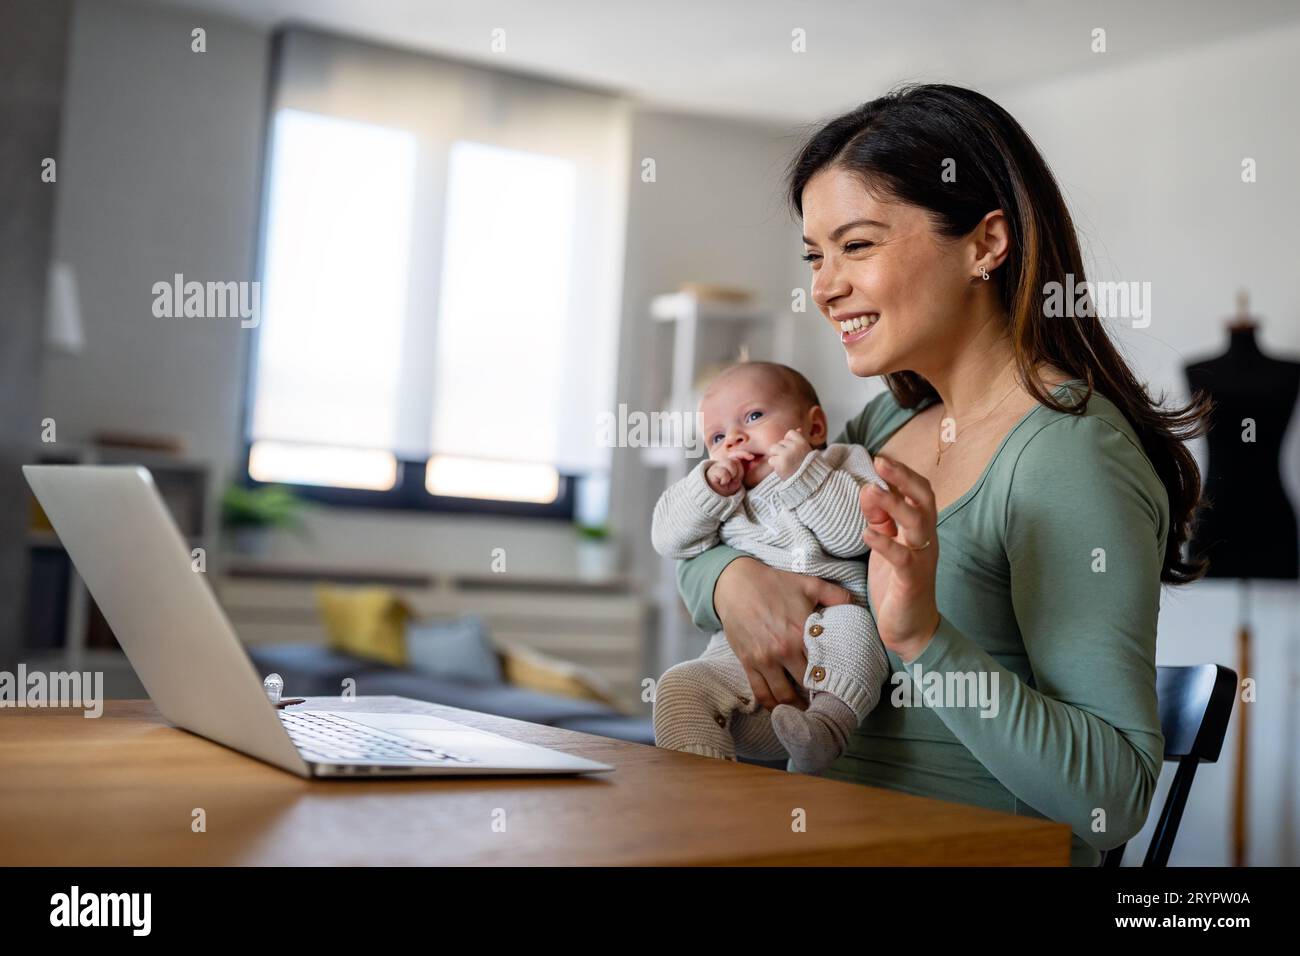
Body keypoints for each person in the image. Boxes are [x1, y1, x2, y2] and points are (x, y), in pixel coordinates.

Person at [674, 84, 1211, 866]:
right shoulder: (881, 428)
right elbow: (704, 546)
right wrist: (732, 582)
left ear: (987, 243)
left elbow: (1113, 799)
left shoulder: (1069, 455)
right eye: (816, 255)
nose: (825, 285)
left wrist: (922, 635)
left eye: (856, 246)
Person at [651, 361, 890, 773]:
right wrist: (707, 487)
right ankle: (695, 801)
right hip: (745, 660)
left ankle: (826, 729)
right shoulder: (724, 499)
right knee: (677, 687)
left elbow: (855, 535)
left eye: (754, 416)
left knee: (856, 627)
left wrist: (804, 475)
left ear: (814, 428)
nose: (735, 439)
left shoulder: (839, 462)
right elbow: (667, 539)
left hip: (835, 627)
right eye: (717, 437)